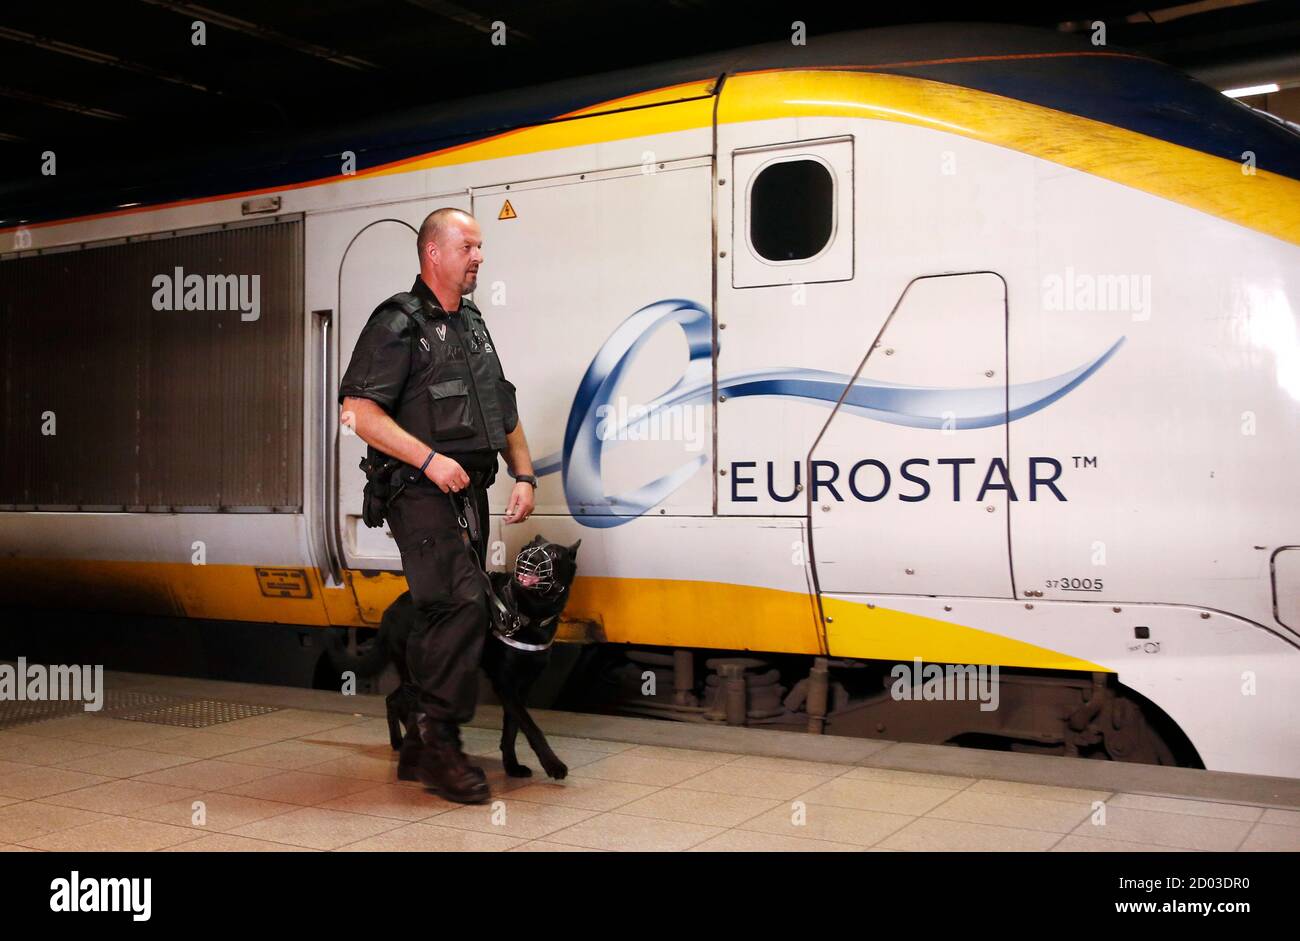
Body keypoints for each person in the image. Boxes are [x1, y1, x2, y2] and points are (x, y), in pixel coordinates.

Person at [339, 207, 537, 803]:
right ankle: (441, 746)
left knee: (439, 612)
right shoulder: (397, 323)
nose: (479, 257)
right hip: (420, 493)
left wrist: (523, 472)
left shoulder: (472, 322)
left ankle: (420, 747)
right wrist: (429, 461)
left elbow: (502, 406)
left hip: (467, 491)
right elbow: (357, 413)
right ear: (433, 253)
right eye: (468, 247)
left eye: (480, 247)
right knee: (463, 604)